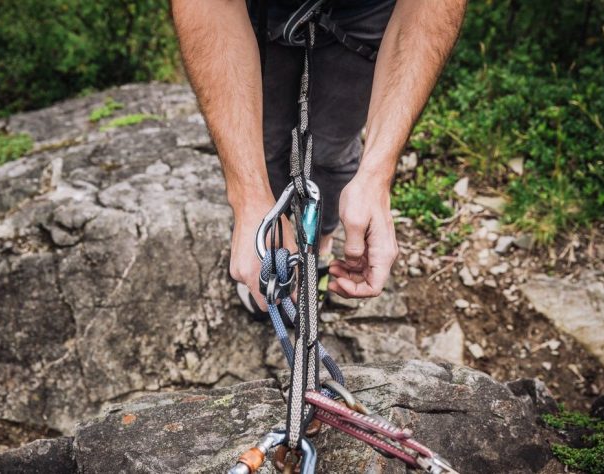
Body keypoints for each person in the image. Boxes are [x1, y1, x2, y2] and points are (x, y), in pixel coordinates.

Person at [171, 0, 467, 312]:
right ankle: (275, 236)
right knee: (265, 144)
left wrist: (376, 176)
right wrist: (248, 197)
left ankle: (317, 242)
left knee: (331, 149)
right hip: (257, 9)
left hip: (367, 10)